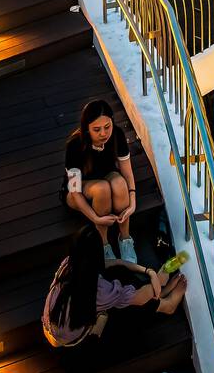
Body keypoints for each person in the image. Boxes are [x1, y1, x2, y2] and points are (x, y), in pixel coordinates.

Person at [42, 226, 187, 356]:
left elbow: (113, 263)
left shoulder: (69, 265)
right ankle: (167, 305)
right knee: (127, 307)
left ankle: (161, 295)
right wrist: (158, 281)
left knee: (119, 279)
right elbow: (139, 298)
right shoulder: (101, 292)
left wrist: (148, 271)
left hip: (51, 325)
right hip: (76, 342)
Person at [61, 99, 139, 263]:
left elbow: (127, 172)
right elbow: (74, 191)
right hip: (79, 189)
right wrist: (95, 219)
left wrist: (132, 202)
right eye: (97, 129)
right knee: (102, 188)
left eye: (107, 127)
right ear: (87, 129)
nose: (103, 133)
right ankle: (103, 245)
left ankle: (125, 239)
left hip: (106, 175)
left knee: (119, 183)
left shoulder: (117, 134)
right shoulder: (75, 145)